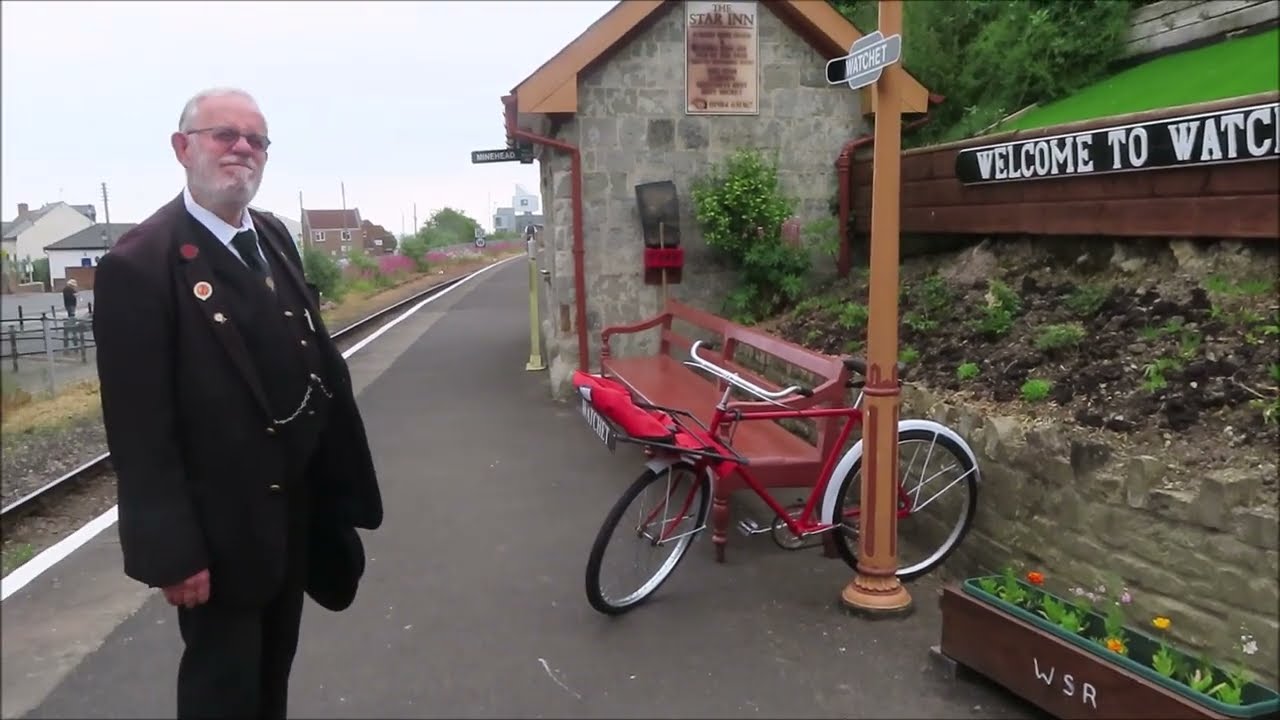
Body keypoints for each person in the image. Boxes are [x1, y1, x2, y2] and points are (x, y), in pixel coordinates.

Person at [92, 87, 383, 719]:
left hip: (295, 510)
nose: (243, 150)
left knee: (273, 672)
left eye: (257, 140)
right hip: (218, 532)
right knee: (221, 690)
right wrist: (172, 551)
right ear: (183, 148)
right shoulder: (140, 265)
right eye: (226, 135)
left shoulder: (273, 234)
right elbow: (140, 432)